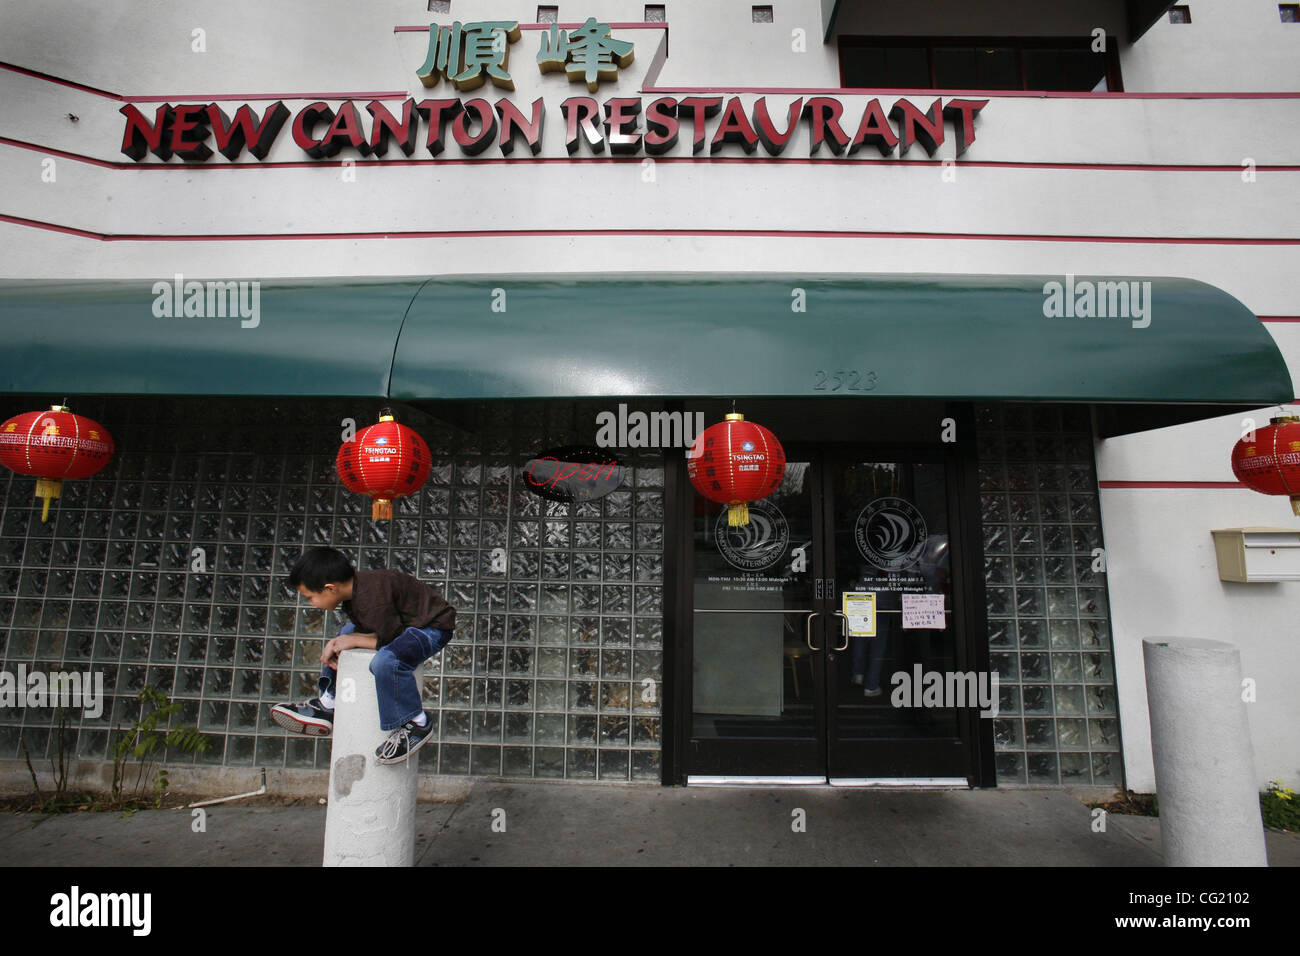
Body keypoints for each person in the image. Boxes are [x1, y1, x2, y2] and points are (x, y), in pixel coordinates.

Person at [271, 546, 456, 764]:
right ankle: (328, 703)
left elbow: (393, 637)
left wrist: (355, 640)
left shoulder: (371, 598)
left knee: (387, 661)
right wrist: (341, 641)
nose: (311, 603)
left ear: (330, 588)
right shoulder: (355, 593)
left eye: (310, 597)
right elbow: (381, 627)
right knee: (345, 633)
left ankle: (417, 723)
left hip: (431, 628)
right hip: (406, 623)